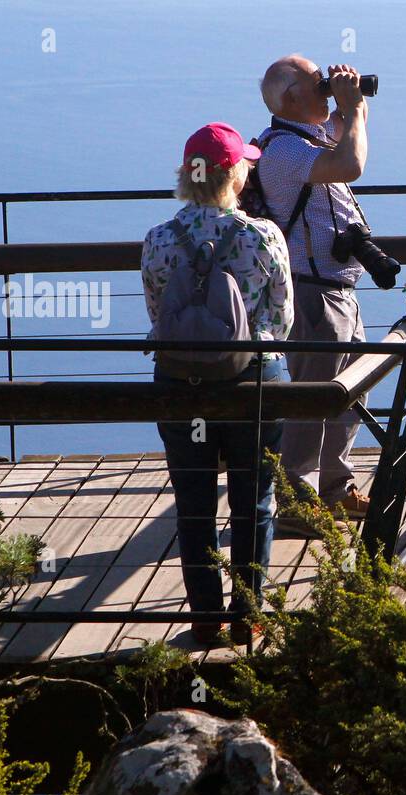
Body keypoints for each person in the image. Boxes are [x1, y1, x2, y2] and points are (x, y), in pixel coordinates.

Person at [140, 122, 293, 644]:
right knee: (256, 497)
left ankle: (204, 618)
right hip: (252, 381)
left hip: (182, 383)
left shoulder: (157, 239)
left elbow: (160, 315)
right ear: (237, 175)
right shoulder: (262, 236)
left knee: (194, 499)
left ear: (188, 174)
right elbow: (282, 321)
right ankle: (247, 614)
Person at [255, 55, 373, 527]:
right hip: (312, 294)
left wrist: (351, 103)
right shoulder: (283, 150)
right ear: (290, 98)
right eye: (316, 85)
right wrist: (354, 110)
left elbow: (347, 142)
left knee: (351, 393)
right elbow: (352, 164)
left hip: (337, 290)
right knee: (310, 400)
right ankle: (296, 504)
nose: (325, 90)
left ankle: (335, 489)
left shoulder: (309, 137)